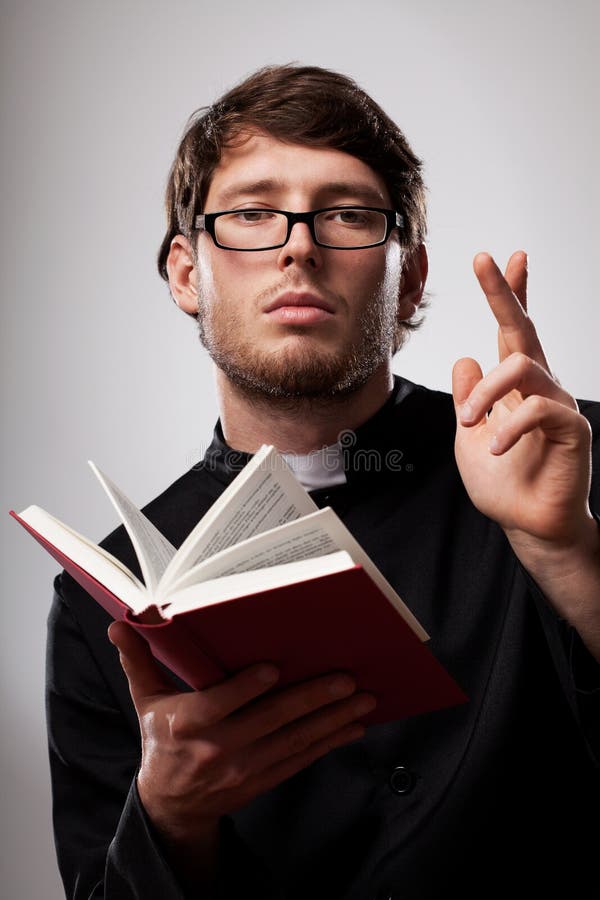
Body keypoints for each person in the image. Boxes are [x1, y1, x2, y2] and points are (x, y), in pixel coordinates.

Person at [47, 64, 600, 900]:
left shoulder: (575, 458)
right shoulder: (106, 600)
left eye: (346, 214)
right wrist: (169, 820)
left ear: (406, 278)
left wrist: (568, 553)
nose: (298, 244)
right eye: (253, 214)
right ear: (187, 272)